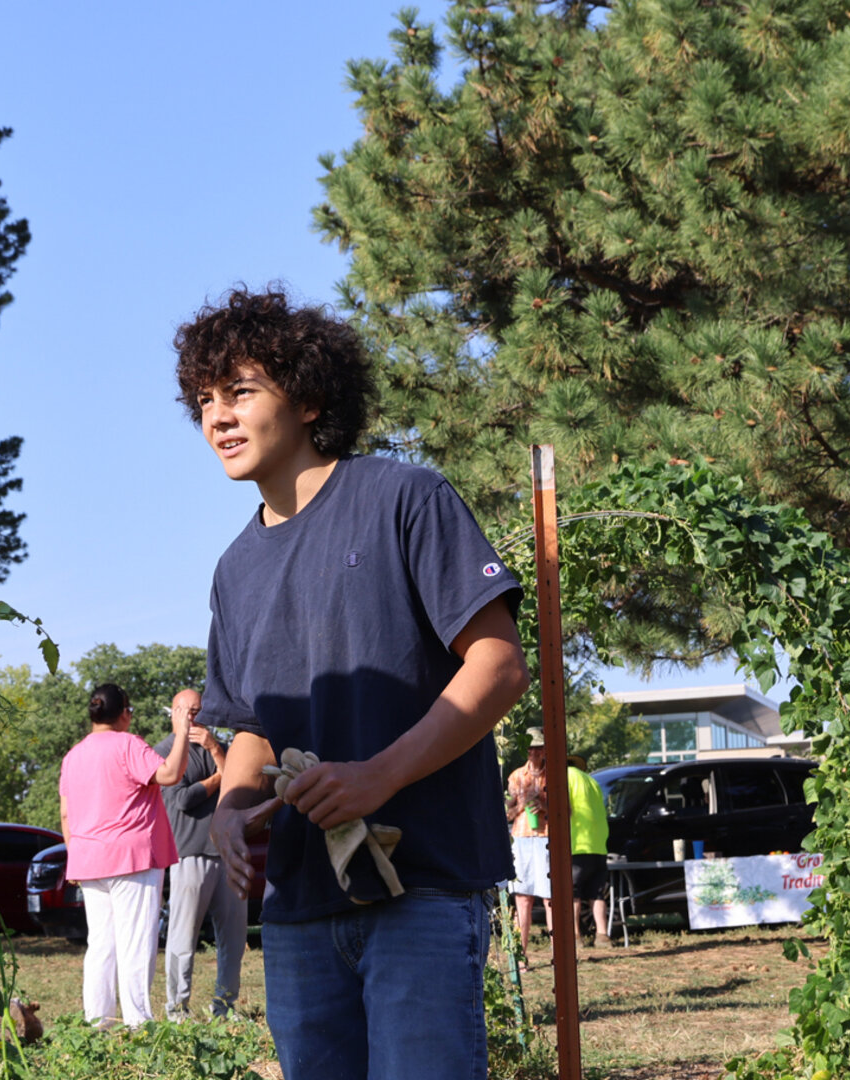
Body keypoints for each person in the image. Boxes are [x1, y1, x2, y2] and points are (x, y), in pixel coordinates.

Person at [183, 287, 531, 1080]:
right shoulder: (234, 570)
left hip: (423, 887)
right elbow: (252, 730)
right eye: (204, 400)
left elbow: (499, 664)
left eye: (240, 391)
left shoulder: (404, 498)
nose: (218, 418)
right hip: (300, 907)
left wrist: (378, 777)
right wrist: (234, 812)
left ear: (308, 397)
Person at [58, 683, 192, 1028]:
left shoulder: (73, 756)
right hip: (131, 858)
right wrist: (182, 733)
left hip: (89, 860)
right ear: (123, 714)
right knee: (136, 941)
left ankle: (96, 1022)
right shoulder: (128, 744)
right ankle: (138, 1022)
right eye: (130, 711)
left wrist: (76, 856)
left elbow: (66, 814)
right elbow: (170, 774)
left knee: (100, 944)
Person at [152, 688, 247, 1020]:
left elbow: (238, 783)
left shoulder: (215, 747)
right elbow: (183, 799)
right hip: (190, 854)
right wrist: (219, 778)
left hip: (227, 852)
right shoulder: (165, 751)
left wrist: (215, 750)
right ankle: (177, 1010)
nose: (193, 718)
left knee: (234, 937)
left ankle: (225, 1006)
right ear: (173, 713)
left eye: (197, 710)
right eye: (186, 711)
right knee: (182, 937)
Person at [505, 726, 553, 951]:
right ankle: (520, 955)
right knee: (522, 898)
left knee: (550, 898)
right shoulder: (516, 777)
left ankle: (558, 955)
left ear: (545, 750)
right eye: (531, 748)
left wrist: (544, 806)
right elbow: (505, 815)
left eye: (539, 747)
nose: (534, 752)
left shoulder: (554, 774)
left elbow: (567, 812)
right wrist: (522, 806)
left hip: (546, 838)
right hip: (522, 838)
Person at [565, 753, 611, 947]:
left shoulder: (564, 777)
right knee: (597, 892)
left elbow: (564, 809)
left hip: (577, 842)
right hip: (598, 843)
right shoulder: (591, 781)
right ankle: (602, 935)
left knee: (572, 892)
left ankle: (575, 936)